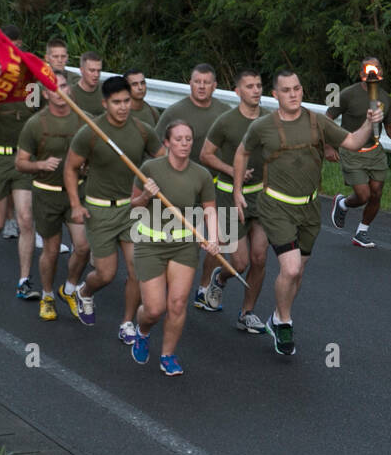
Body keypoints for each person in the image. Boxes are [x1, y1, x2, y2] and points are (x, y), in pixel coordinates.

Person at [231, 70, 382, 355]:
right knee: (290, 268)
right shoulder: (263, 126)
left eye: (297, 88)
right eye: (286, 90)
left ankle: (277, 317)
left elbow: (351, 142)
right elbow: (241, 153)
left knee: (298, 274)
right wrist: (238, 190)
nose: (293, 94)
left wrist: (368, 123)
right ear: (275, 95)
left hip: (310, 208)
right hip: (276, 206)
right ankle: (285, 322)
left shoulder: (317, 122)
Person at [64, 75, 165, 339]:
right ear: (105, 103)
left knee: (136, 270)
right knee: (106, 274)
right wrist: (76, 204)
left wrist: (158, 180)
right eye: (116, 102)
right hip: (99, 210)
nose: (123, 107)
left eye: (126, 101)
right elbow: (71, 168)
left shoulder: (143, 130)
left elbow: (162, 160)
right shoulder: (91, 132)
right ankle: (84, 291)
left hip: (132, 208)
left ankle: (127, 323)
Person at [129, 121, 220, 376]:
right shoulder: (150, 168)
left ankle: (168, 355)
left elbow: (210, 209)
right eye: (178, 139)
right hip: (150, 244)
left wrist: (212, 238)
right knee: (155, 309)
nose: (184, 144)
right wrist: (146, 196)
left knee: (178, 304)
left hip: (183, 245)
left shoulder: (200, 174)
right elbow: (133, 206)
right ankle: (142, 331)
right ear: (167, 143)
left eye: (188, 139)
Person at [16, 71, 91, 321]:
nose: (60, 92)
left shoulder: (84, 120)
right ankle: (47, 296)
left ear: (69, 90)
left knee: (83, 246)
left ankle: (68, 289)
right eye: (53, 88)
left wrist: (88, 167)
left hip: (77, 192)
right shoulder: (35, 124)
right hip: (46, 194)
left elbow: (97, 154)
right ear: (46, 94)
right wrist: (40, 165)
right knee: (51, 249)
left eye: (63, 86)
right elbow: (20, 163)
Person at [199, 69, 269, 331]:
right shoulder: (226, 122)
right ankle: (220, 277)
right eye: (249, 86)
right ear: (238, 91)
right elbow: (206, 155)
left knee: (260, 257)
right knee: (239, 262)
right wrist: (233, 170)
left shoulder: (269, 120)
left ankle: (247, 314)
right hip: (229, 195)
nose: (256, 90)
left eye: (259, 85)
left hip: (261, 196)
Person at [0, 26, 41, 297]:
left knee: (26, 219)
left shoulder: (31, 83)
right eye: (9, 49)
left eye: (18, 48)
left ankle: (24, 281)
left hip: (22, 158)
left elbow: (38, 114)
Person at [328, 57, 391, 247]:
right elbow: (328, 118)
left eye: (377, 68)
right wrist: (328, 146)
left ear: (381, 72)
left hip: (374, 150)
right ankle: (343, 204)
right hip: (351, 149)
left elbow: (389, 123)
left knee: (376, 193)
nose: (373, 72)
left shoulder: (385, 98)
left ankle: (362, 232)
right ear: (362, 73)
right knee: (363, 195)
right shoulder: (347, 95)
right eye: (369, 69)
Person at [156, 63, 225, 163]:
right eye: (197, 82)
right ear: (190, 84)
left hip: (219, 176)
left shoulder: (224, 111)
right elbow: (155, 146)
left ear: (214, 86)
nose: (201, 86)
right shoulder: (174, 112)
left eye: (206, 82)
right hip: (186, 176)